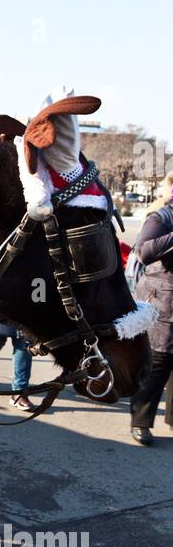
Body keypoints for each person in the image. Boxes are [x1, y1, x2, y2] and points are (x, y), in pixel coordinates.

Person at [128, 184, 173, 445]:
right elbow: (144, 252)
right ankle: (141, 422)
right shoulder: (161, 218)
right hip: (163, 301)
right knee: (158, 364)